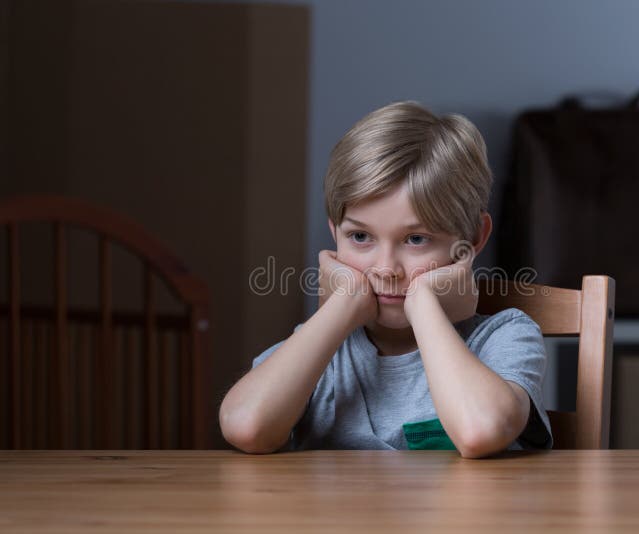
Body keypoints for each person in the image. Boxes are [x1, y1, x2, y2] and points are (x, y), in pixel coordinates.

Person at [219, 101, 552, 457]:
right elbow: (245, 427)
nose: (385, 269)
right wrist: (342, 305)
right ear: (335, 235)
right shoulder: (320, 348)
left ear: (472, 238)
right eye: (360, 237)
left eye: (416, 239)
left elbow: (479, 431)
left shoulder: (502, 337)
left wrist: (423, 305)